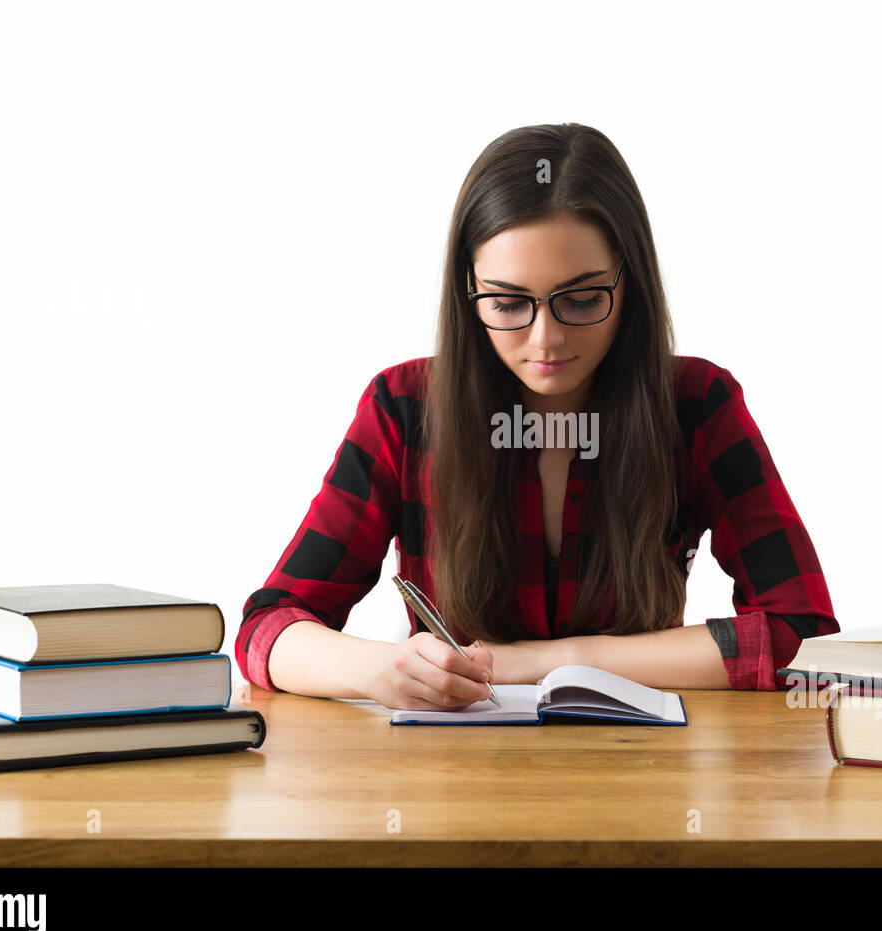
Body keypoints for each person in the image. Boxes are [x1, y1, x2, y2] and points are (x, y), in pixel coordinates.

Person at [235, 123, 839, 710]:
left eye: (580, 299)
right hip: (449, 785)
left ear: (630, 285)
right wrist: (380, 672)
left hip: (637, 779)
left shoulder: (696, 405)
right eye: (507, 302)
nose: (544, 338)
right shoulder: (406, 408)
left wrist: (555, 659)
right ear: (468, 292)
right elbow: (268, 629)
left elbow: (802, 635)